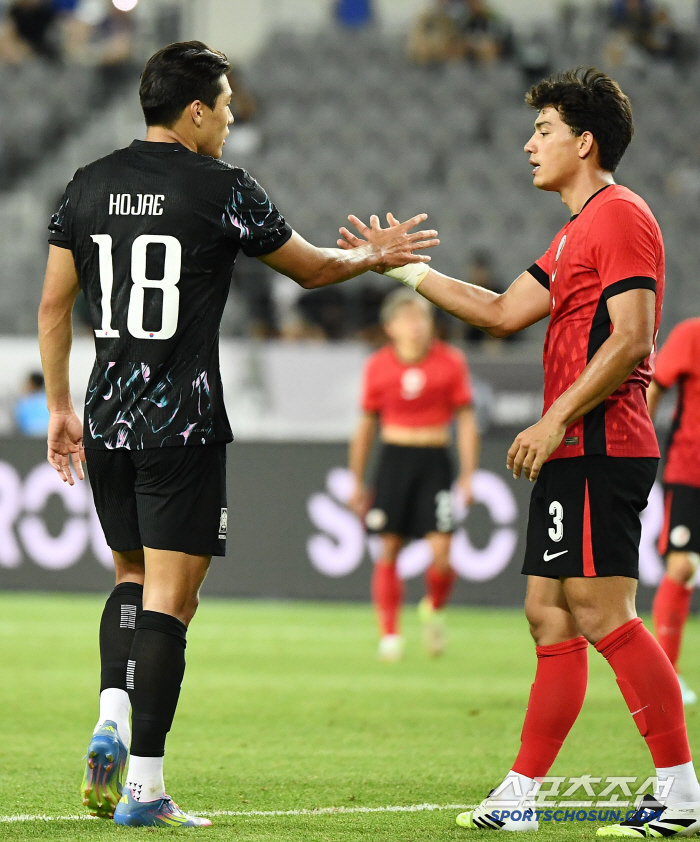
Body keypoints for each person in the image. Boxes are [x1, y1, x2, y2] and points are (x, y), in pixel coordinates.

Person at [38, 40, 437, 828]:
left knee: (128, 574)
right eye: (223, 105)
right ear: (193, 112)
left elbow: (53, 308)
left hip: (108, 417)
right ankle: (144, 788)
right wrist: (374, 256)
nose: (228, 118)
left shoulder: (86, 185)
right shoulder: (222, 186)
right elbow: (314, 271)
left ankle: (112, 713)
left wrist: (59, 407)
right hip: (181, 423)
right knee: (172, 602)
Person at [338, 68, 700, 836]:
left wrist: (555, 417)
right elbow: (502, 311)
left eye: (543, 130)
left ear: (585, 141)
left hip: (601, 442)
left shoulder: (622, 216)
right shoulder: (574, 231)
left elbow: (635, 337)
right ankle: (522, 795)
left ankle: (680, 789)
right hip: (573, 449)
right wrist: (400, 267)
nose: (528, 142)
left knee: (602, 612)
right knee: (548, 614)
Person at [348, 288, 479, 662]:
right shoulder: (378, 366)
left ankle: (434, 608)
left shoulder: (451, 362)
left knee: (442, 552)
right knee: (387, 547)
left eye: (421, 317)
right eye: (407, 319)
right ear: (390, 327)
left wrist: (468, 474)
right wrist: (356, 478)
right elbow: (365, 427)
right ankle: (390, 635)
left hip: (435, 459)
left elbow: (467, 421)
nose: (416, 326)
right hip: (394, 459)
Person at [647, 318, 700, 707]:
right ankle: (666, 673)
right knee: (681, 566)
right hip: (690, 471)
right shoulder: (692, 335)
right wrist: (639, 443)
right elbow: (655, 385)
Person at [14, 371, 50, 436]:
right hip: (48, 438)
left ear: (32, 384)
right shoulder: (50, 400)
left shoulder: (24, 403)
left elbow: (19, 423)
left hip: (29, 439)